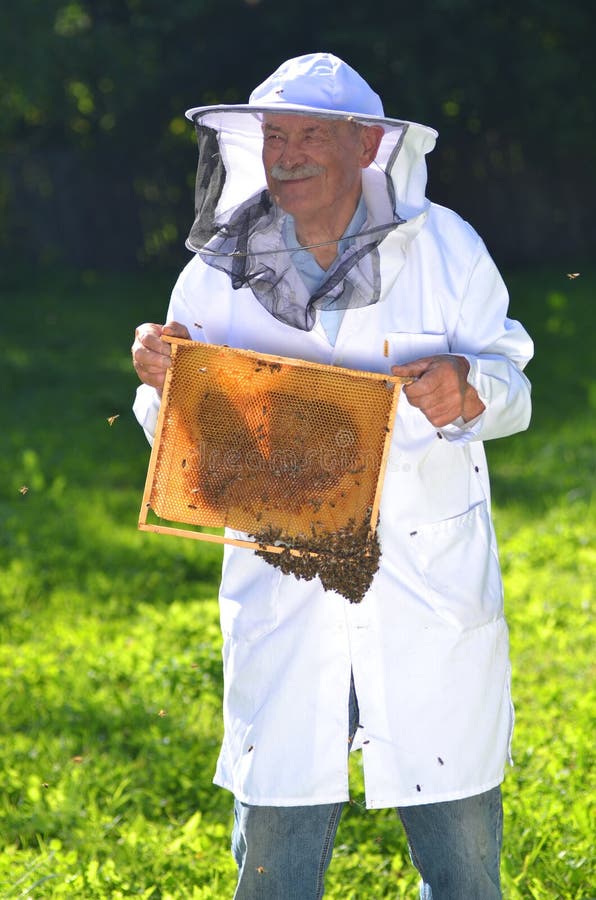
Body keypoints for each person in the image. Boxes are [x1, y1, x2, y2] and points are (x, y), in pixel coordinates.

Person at [131, 53, 533, 899]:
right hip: (284, 594)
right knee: (274, 860)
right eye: (276, 135)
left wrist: (468, 385)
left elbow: (513, 383)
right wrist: (166, 387)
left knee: (463, 864)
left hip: (424, 583)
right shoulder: (217, 267)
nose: (289, 153)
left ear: (367, 147)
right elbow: (184, 445)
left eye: (313, 134)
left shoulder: (445, 247)